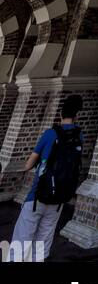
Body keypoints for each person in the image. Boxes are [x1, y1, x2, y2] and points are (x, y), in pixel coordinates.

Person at [7, 94, 84, 262]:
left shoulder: (50, 134)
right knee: (43, 240)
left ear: (60, 115)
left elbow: (30, 163)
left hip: (38, 196)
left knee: (22, 239)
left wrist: (22, 168)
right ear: (76, 116)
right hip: (59, 198)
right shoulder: (79, 137)